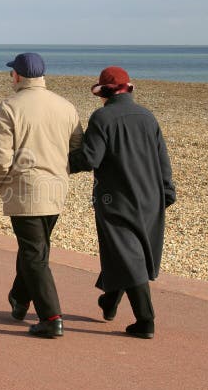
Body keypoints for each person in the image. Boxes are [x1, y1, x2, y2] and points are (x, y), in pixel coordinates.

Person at [69, 66, 176, 339]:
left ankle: (146, 320)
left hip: (117, 199)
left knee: (127, 254)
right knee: (127, 250)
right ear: (128, 89)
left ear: (104, 92)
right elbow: (162, 159)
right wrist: (167, 191)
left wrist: (59, 161)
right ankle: (110, 302)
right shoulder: (147, 117)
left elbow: (90, 159)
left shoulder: (102, 118)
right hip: (151, 197)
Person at [0, 52, 83, 338]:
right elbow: (77, 146)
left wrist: (0, 182)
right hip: (56, 188)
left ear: (17, 75)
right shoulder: (66, 107)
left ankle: (51, 317)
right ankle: (18, 301)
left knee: (33, 253)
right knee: (36, 248)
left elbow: (1, 155)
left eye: (11, 74)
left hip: (25, 188)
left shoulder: (9, 107)